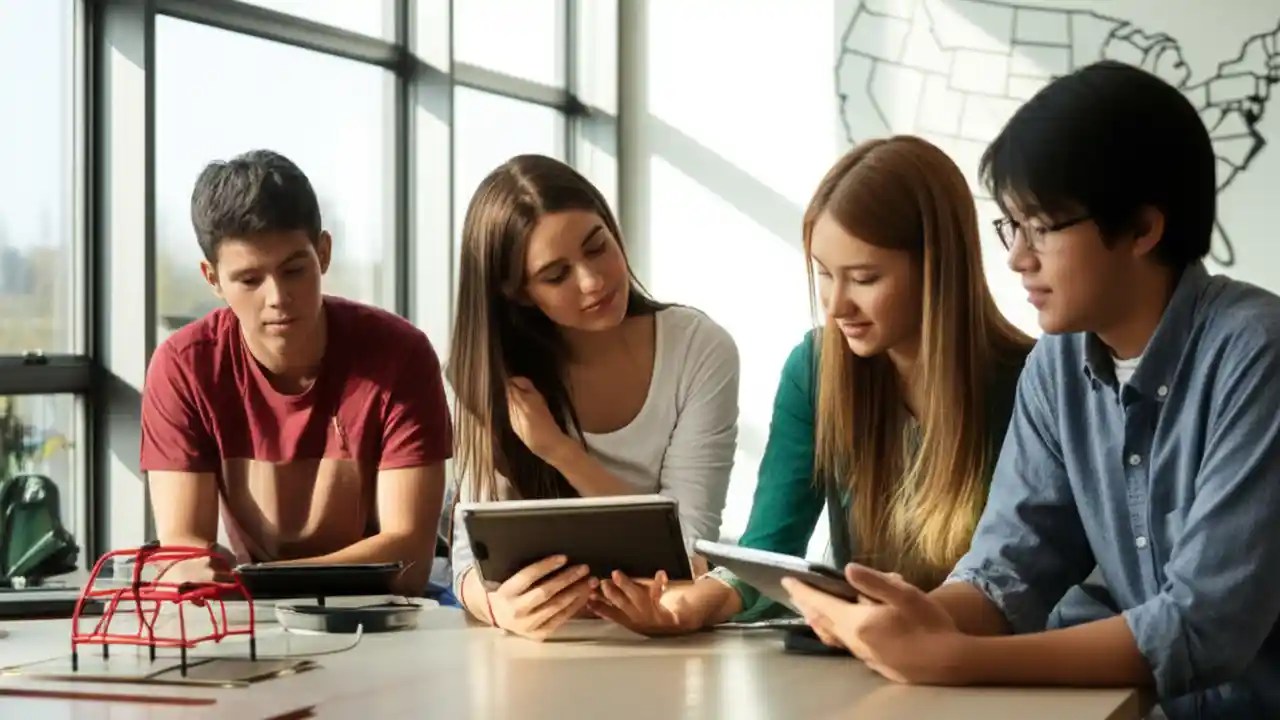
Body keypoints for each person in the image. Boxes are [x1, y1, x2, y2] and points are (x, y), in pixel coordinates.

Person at [781, 60, 1280, 719]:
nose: (1017, 258)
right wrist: (910, 621)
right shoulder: (1058, 365)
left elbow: (1204, 622)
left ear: (1142, 228)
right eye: (1011, 227)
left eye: (1042, 229)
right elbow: (1006, 574)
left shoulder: (1256, 352)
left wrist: (956, 660)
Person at [587, 135, 1033, 635]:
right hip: (865, 658)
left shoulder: (1031, 384)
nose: (836, 305)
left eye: (864, 278)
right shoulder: (816, 369)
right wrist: (690, 607)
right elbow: (769, 547)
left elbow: (1023, 580)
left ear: (938, 267)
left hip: (991, 661)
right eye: (824, 274)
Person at [447, 154, 739, 641]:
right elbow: (467, 561)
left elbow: (689, 552)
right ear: (517, 293)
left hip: (665, 641)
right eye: (556, 275)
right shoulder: (493, 376)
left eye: (597, 247)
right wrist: (499, 609)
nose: (593, 281)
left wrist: (559, 451)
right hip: (551, 645)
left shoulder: (698, 349)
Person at [140, 149, 451, 597]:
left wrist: (256, 582)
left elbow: (409, 559)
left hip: (387, 609)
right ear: (212, 278)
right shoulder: (184, 367)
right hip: (254, 614)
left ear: (323, 253)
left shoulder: (400, 355)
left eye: (294, 271)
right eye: (249, 280)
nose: (278, 297)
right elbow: (186, 552)